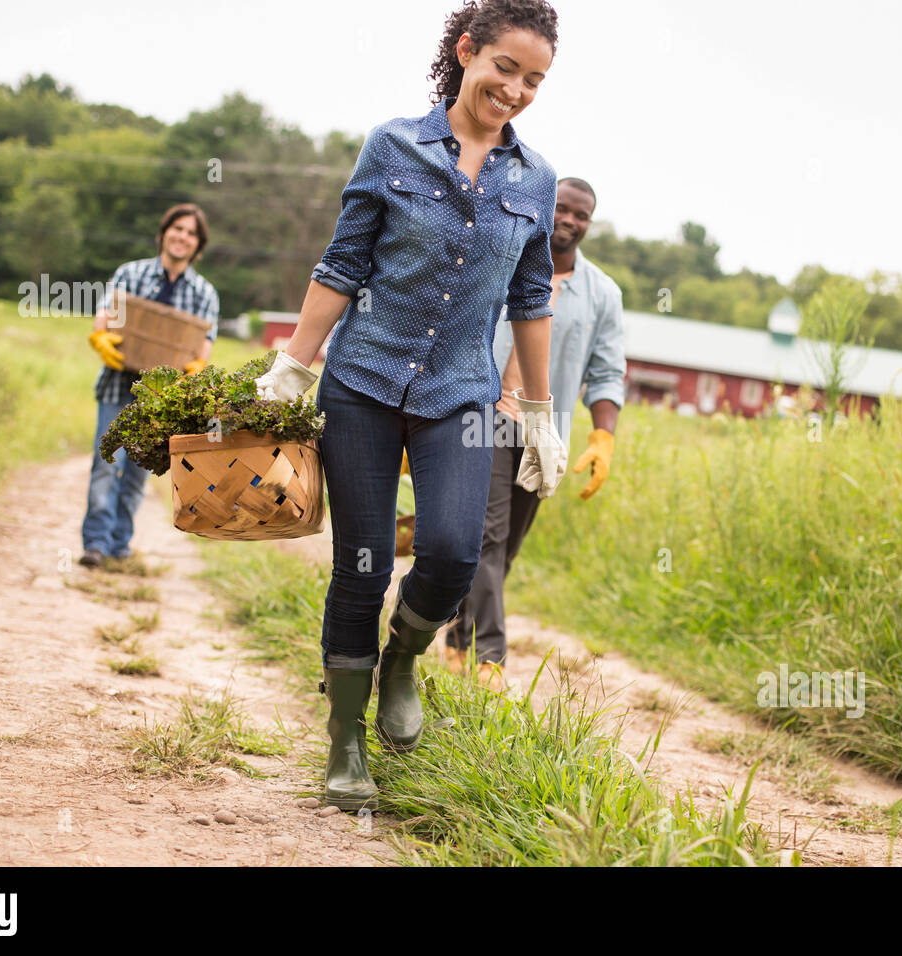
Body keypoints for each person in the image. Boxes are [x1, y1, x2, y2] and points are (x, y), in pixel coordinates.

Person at [252, 0, 566, 812]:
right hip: (361, 380)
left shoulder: (534, 180)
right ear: (468, 51)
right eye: (506, 68)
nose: (517, 89)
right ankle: (346, 740)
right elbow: (343, 263)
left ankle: (402, 659)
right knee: (361, 565)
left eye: (535, 79)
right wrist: (295, 362)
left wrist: (538, 411)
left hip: (459, 392)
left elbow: (532, 299)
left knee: (457, 549)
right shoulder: (393, 144)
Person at [444, 177, 625, 689]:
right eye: (562, 209)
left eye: (581, 215)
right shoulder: (502, 261)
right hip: (484, 413)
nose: (569, 221)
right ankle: (490, 661)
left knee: (507, 546)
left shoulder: (602, 295)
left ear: (589, 223)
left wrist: (602, 436)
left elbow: (608, 372)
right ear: (546, 209)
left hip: (545, 427)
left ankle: (457, 638)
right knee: (487, 535)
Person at [81, 203, 220, 568]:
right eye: (177, 228)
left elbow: (203, 346)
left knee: (137, 475)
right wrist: (100, 338)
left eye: (191, 233)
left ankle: (119, 544)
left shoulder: (204, 293)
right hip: (117, 386)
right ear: (164, 233)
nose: (182, 237)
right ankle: (94, 544)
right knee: (107, 464)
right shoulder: (131, 273)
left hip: (161, 402)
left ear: (198, 245)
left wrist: (196, 366)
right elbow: (104, 316)